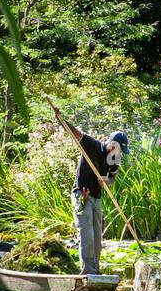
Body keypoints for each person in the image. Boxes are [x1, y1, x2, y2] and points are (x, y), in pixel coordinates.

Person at [53, 105, 128, 276]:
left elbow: (112, 179)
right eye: (119, 149)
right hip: (82, 194)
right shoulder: (92, 146)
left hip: (97, 198)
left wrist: (106, 181)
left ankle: (95, 268)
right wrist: (61, 119)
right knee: (86, 234)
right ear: (112, 144)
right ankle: (87, 271)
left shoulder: (113, 160)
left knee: (98, 239)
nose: (119, 153)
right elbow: (76, 133)